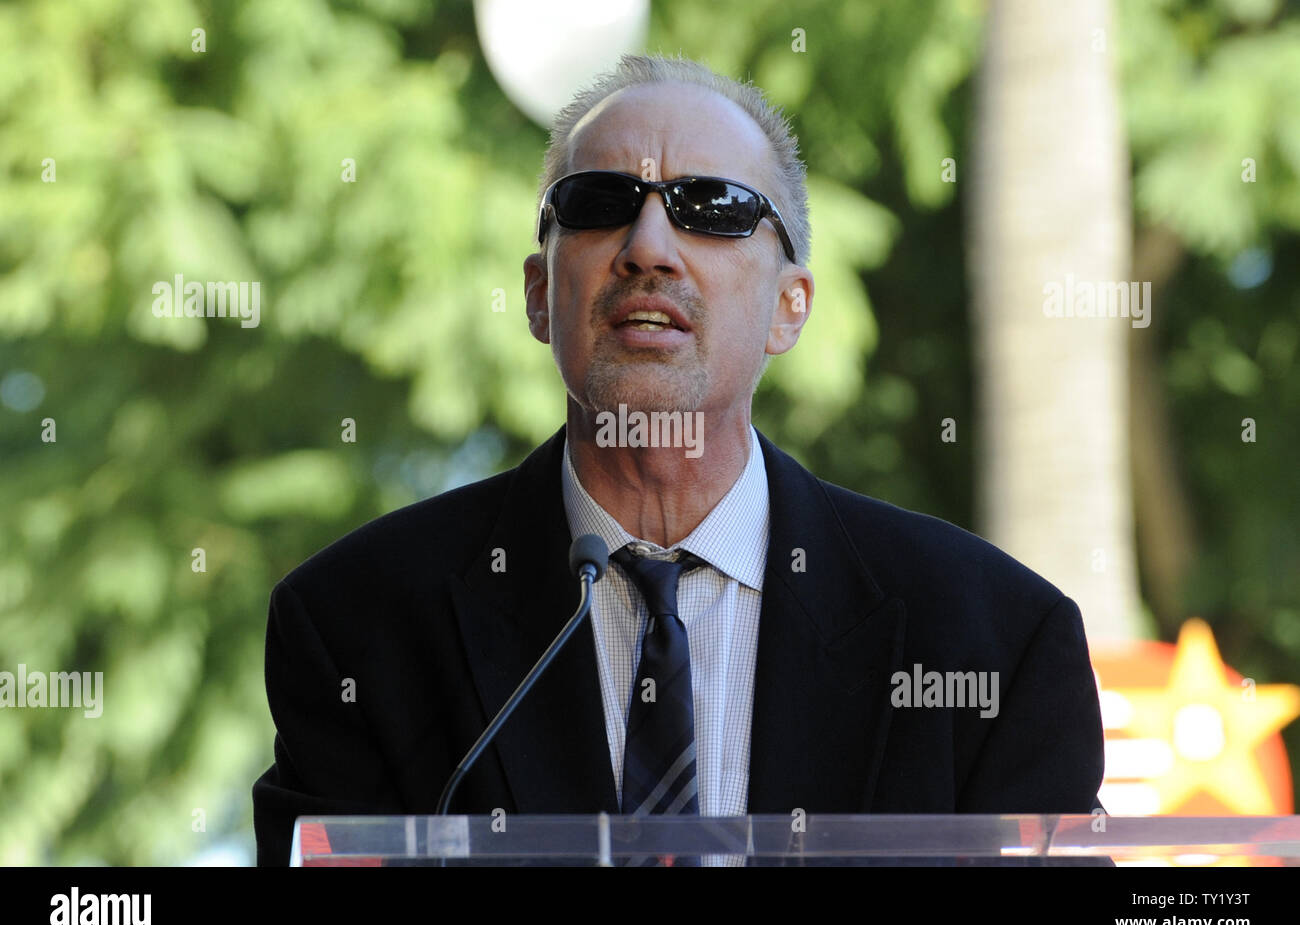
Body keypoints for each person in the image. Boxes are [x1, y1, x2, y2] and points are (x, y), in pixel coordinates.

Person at [252, 54, 1105, 866]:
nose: (649, 245)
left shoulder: (991, 642)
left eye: (714, 207)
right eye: (599, 202)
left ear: (789, 307)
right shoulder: (357, 627)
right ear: (541, 295)